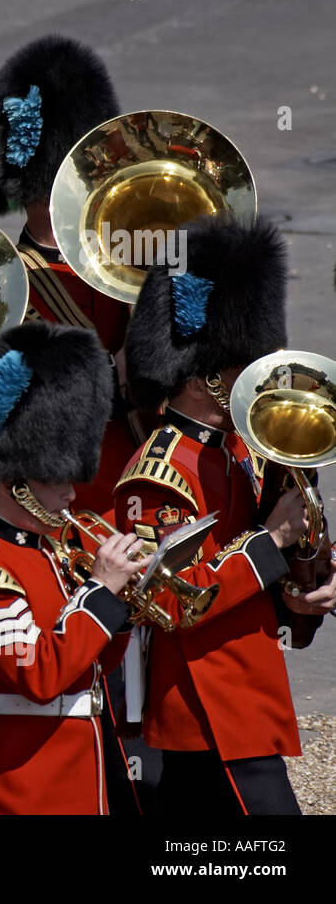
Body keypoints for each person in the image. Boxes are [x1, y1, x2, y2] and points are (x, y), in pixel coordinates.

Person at [0, 33, 158, 812]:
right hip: (59, 513)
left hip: (142, 489)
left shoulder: (125, 265)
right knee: (94, 691)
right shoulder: (1, 283)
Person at [114, 216, 322, 814]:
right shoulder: (158, 471)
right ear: (208, 374)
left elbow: (281, 552)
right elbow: (172, 599)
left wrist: (308, 584)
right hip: (206, 694)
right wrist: (270, 540)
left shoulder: (241, 448)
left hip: (244, 684)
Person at [0, 320, 142, 814]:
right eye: (58, 480)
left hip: (75, 767)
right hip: (22, 783)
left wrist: (127, 605)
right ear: (13, 482)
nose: (73, 493)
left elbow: (87, 665)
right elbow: (39, 674)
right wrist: (100, 592)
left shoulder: (48, 551)